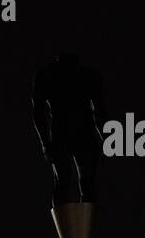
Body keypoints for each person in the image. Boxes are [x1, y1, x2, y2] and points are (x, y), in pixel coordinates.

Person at [30, 52, 106, 205]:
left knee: (67, 182)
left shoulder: (48, 75)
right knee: (78, 183)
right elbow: (99, 111)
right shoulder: (88, 75)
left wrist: (45, 143)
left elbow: (38, 112)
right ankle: (77, 220)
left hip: (67, 133)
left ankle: (70, 220)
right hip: (78, 133)